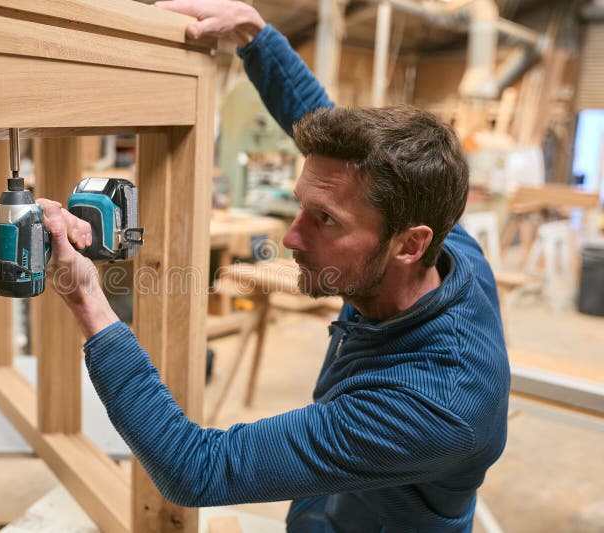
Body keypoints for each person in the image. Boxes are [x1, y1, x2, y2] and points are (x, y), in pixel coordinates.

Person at [37, 1, 509, 530]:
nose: (289, 236)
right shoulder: (445, 245)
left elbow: (196, 469)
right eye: (300, 205)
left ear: (408, 245)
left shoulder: (437, 405)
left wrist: (87, 299)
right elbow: (319, 120)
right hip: (329, 507)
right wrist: (257, 37)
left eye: (325, 220)